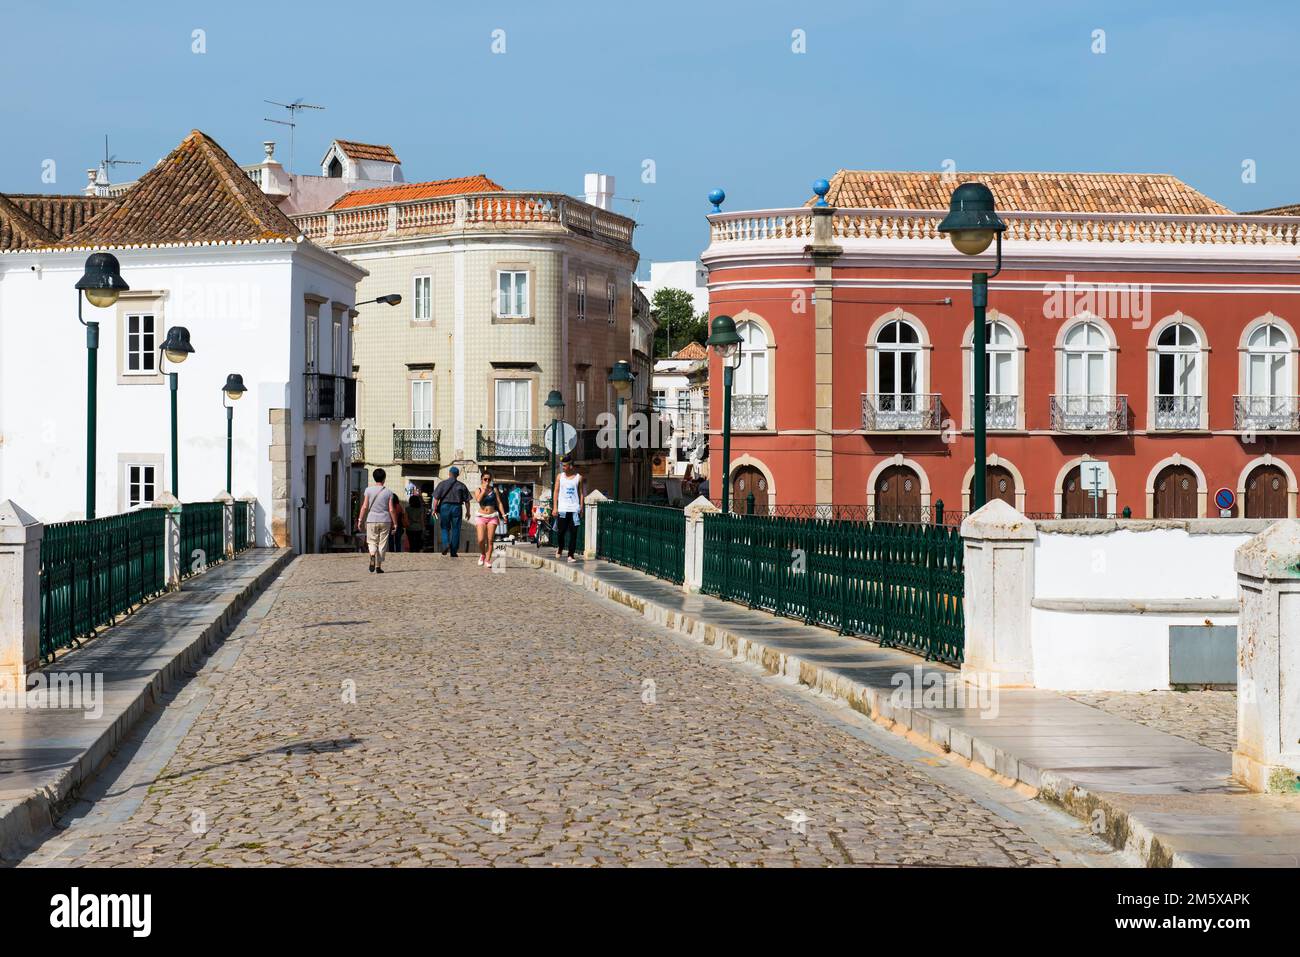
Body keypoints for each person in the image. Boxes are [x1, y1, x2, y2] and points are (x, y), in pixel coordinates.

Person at [356, 467, 400, 573]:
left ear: (374, 478)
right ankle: (378, 566)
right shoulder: (389, 492)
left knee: (372, 541)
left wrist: (360, 519)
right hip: (385, 520)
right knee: (382, 543)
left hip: (371, 519)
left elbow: (365, 506)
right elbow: (391, 509)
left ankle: (372, 555)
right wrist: (395, 523)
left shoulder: (368, 490)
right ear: (384, 478)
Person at [432, 466, 471, 557]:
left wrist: (434, 510)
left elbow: (436, 498)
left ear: (449, 474)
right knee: (456, 529)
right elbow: (467, 501)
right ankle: (453, 552)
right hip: (457, 507)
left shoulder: (442, 484)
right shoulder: (462, 485)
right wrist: (468, 512)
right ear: (457, 475)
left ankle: (445, 544)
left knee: (445, 527)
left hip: (444, 507)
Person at [552, 455, 585, 563]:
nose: (563, 467)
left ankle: (571, 555)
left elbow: (581, 493)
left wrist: (581, 507)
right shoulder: (559, 477)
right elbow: (556, 492)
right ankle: (561, 547)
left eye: (565, 466)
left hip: (574, 509)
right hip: (562, 509)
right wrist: (555, 507)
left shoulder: (578, 477)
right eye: (562, 465)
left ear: (570, 466)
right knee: (561, 532)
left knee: (573, 533)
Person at [473, 470, 508, 569]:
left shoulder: (494, 490)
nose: (487, 481)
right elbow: (478, 500)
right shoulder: (478, 489)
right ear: (482, 479)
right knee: (480, 540)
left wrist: (503, 515)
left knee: (490, 540)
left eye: (489, 479)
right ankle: (483, 554)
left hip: (492, 516)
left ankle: (488, 560)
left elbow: (499, 503)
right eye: (485, 479)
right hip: (481, 516)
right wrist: (484, 490)